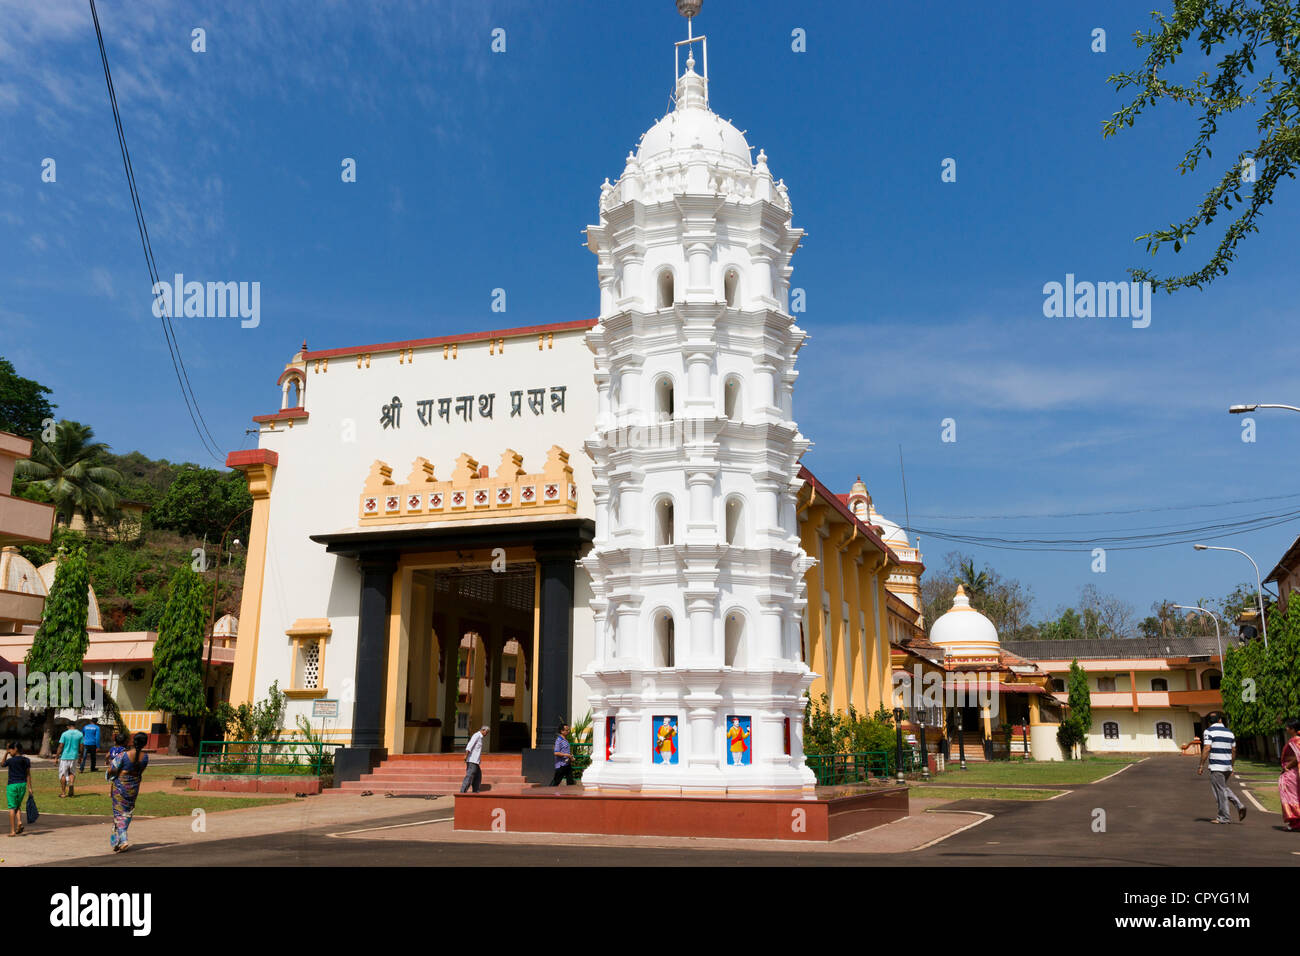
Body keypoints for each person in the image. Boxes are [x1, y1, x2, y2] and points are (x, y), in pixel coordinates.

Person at [1198, 712, 1247, 824]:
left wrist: (1201, 765)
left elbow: (1207, 748)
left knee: (1220, 792)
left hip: (1217, 766)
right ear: (1220, 720)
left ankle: (1224, 817)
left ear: (1209, 722)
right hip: (1227, 766)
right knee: (1223, 788)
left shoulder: (1209, 731)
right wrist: (1232, 765)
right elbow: (1234, 750)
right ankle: (1239, 806)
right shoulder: (1230, 733)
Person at [106, 732, 149, 852]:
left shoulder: (123, 755)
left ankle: (124, 840)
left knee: (118, 813)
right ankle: (116, 842)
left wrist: (110, 775)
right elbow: (140, 771)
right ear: (145, 743)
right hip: (134, 787)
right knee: (127, 812)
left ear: (132, 741)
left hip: (120, 787)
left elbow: (111, 770)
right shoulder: (145, 757)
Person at [2, 742, 32, 837]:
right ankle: (19, 822)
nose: (9, 752)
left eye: (10, 750)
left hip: (12, 785)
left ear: (15, 749)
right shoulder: (26, 760)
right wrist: (30, 787)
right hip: (22, 785)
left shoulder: (11, 760)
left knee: (12, 807)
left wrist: (6, 754)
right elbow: (28, 774)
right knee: (18, 805)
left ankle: (12, 831)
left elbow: (2, 764)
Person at [1278, 718, 1300, 831]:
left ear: (1293, 729)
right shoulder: (1294, 740)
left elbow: (1298, 757)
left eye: (1288, 727)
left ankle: (1296, 823)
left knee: (1291, 797)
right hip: (1292, 772)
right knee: (1293, 796)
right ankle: (1295, 823)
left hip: (1291, 772)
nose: (1286, 728)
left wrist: (1287, 766)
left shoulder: (1296, 740)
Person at [56, 723, 83, 798]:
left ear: (68, 726)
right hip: (74, 756)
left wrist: (56, 757)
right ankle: (71, 783)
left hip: (65, 756)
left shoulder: (64, 734)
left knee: (63, 774)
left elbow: (61, 746)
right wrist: (80, 757)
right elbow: (81, 747)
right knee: (72, 772)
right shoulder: (80, 734)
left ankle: (63, 793)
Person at [460, 725, 488, 794]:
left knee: (478, 776)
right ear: (483, 730)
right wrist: (466, 755)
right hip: (472, 760)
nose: (486, 734)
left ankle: (475, 791)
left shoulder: (480, 737)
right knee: (469, 776)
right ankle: (462, 792)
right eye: (486, 732)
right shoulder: (477, 735)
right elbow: (470, 745)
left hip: (476, 761)